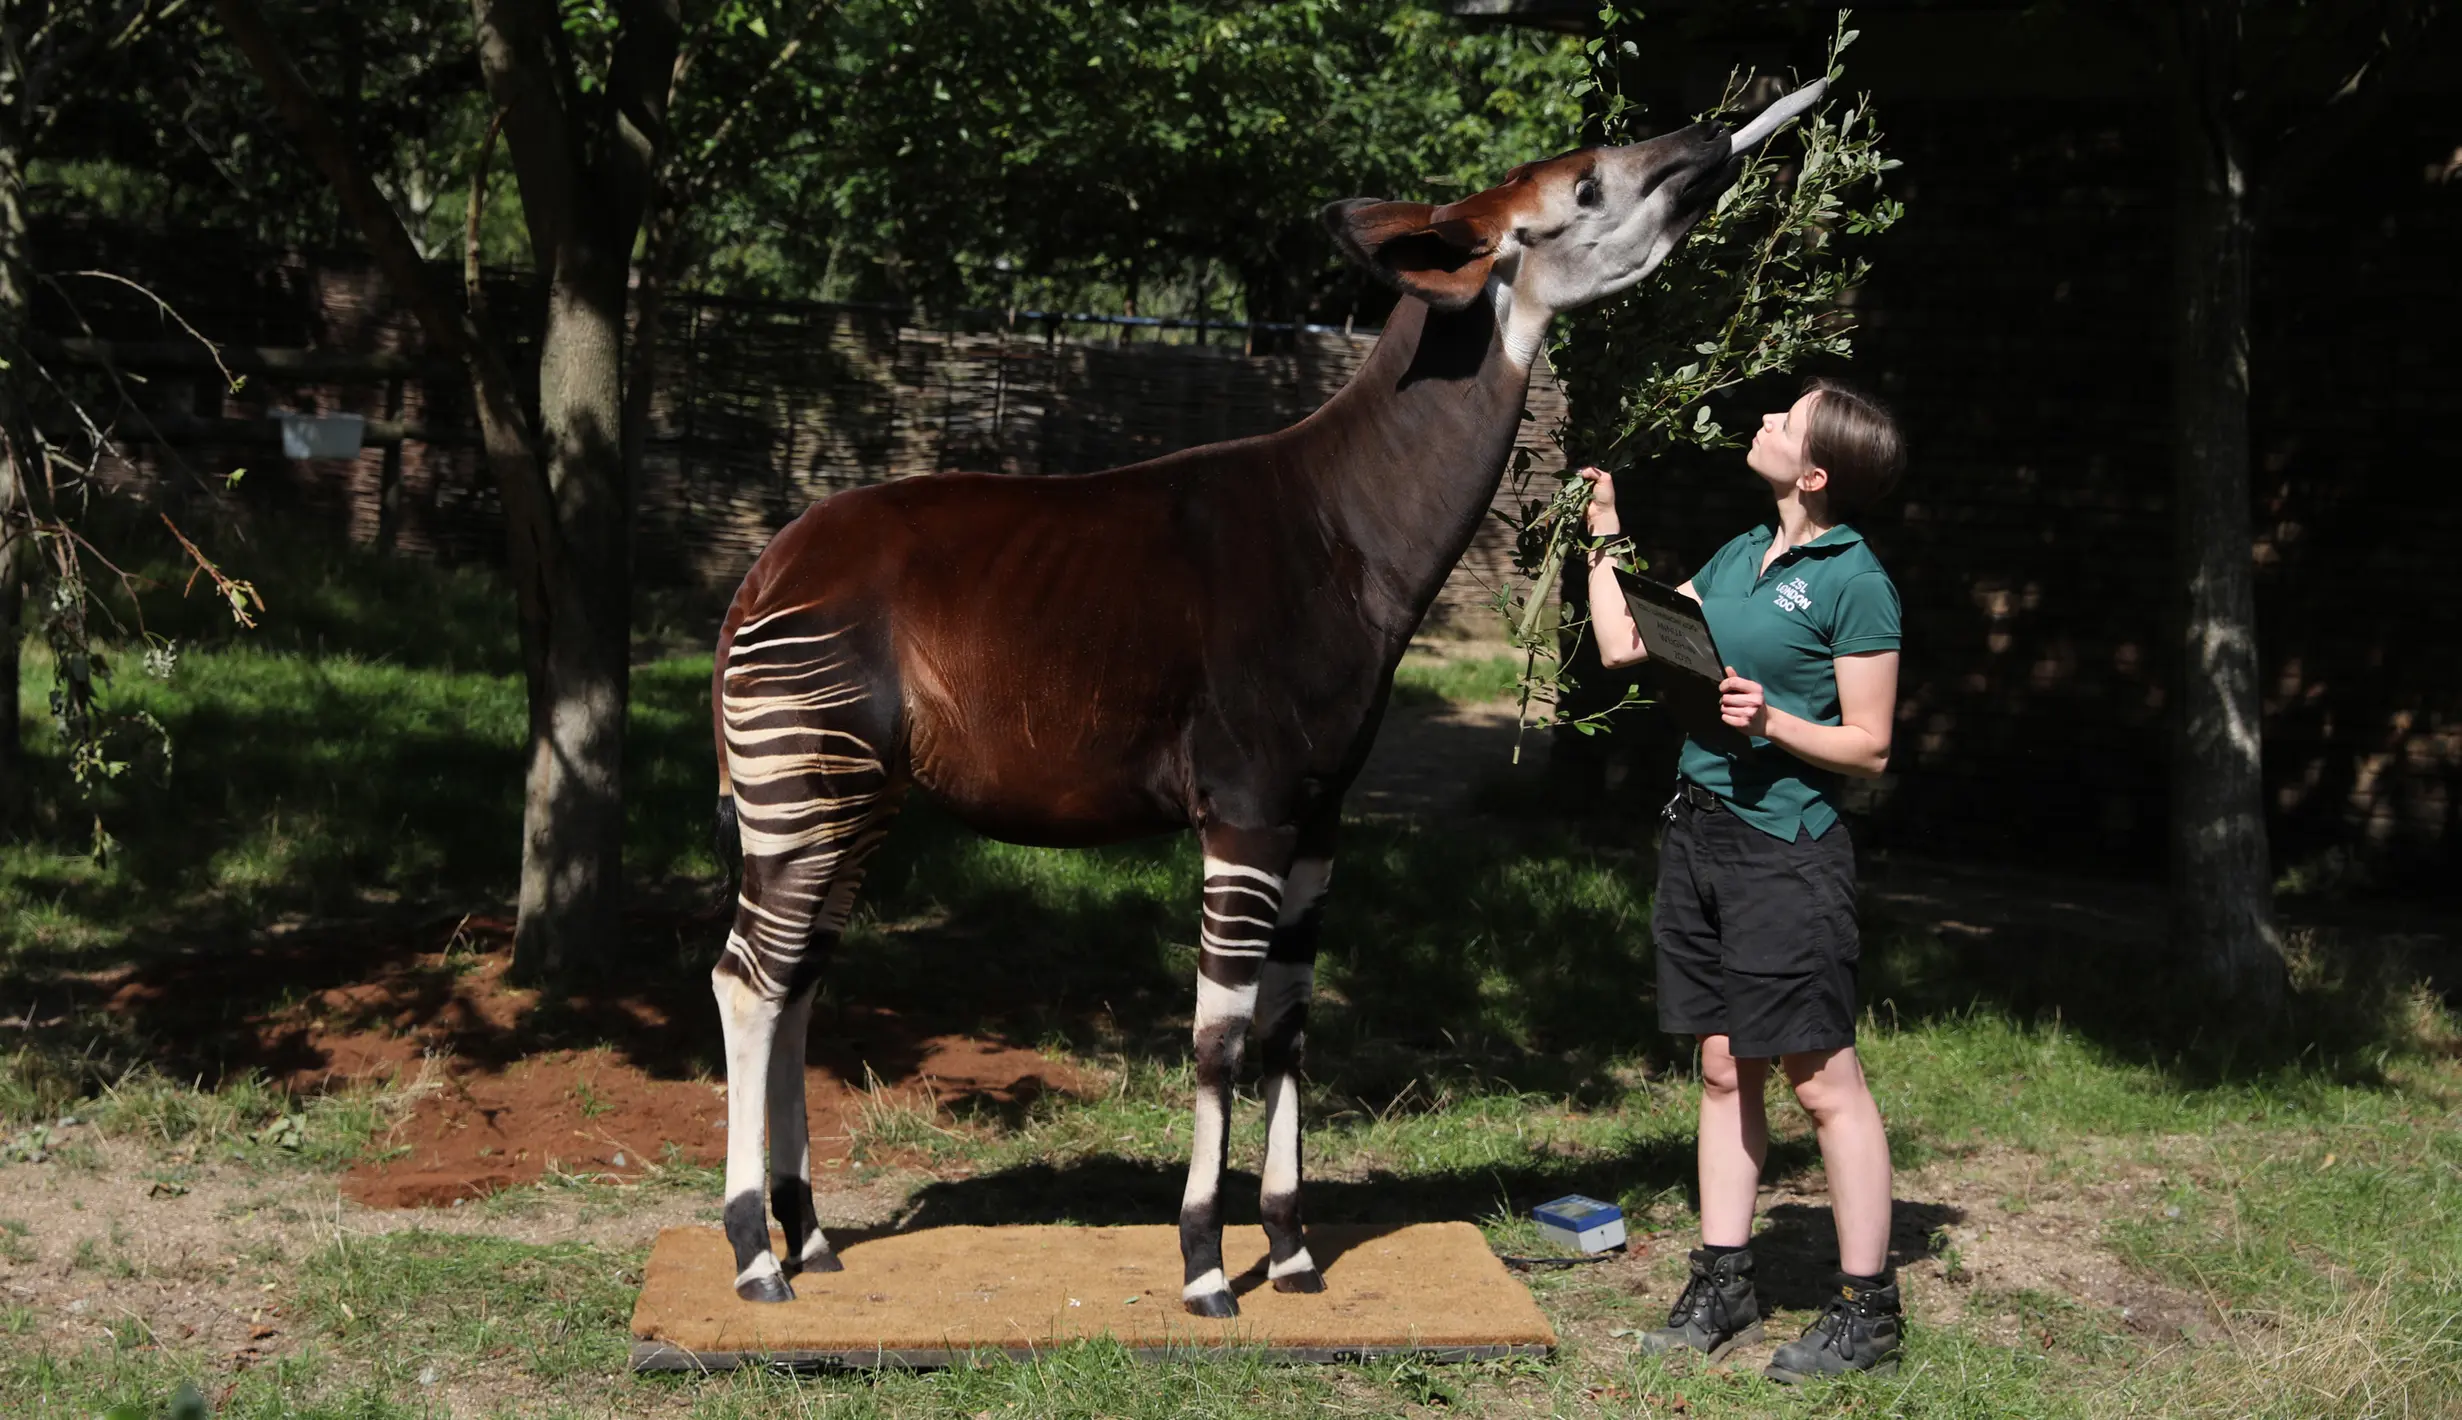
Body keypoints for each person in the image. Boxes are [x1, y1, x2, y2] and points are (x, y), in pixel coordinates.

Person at [1578, 376, 1908, 1383]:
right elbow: (1623, 643)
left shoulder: (1855, 581)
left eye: (1784, 421)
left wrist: (1772, 722)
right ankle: (1722, 1283)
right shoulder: (1739, 551)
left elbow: (1870, 745)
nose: (1763, 421)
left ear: (1815, 474)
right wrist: (1602, 533)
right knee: (1723, 1065)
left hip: (1786, 849)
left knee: (1822, 1081)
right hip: (1700, 836)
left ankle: (1867, 1311)